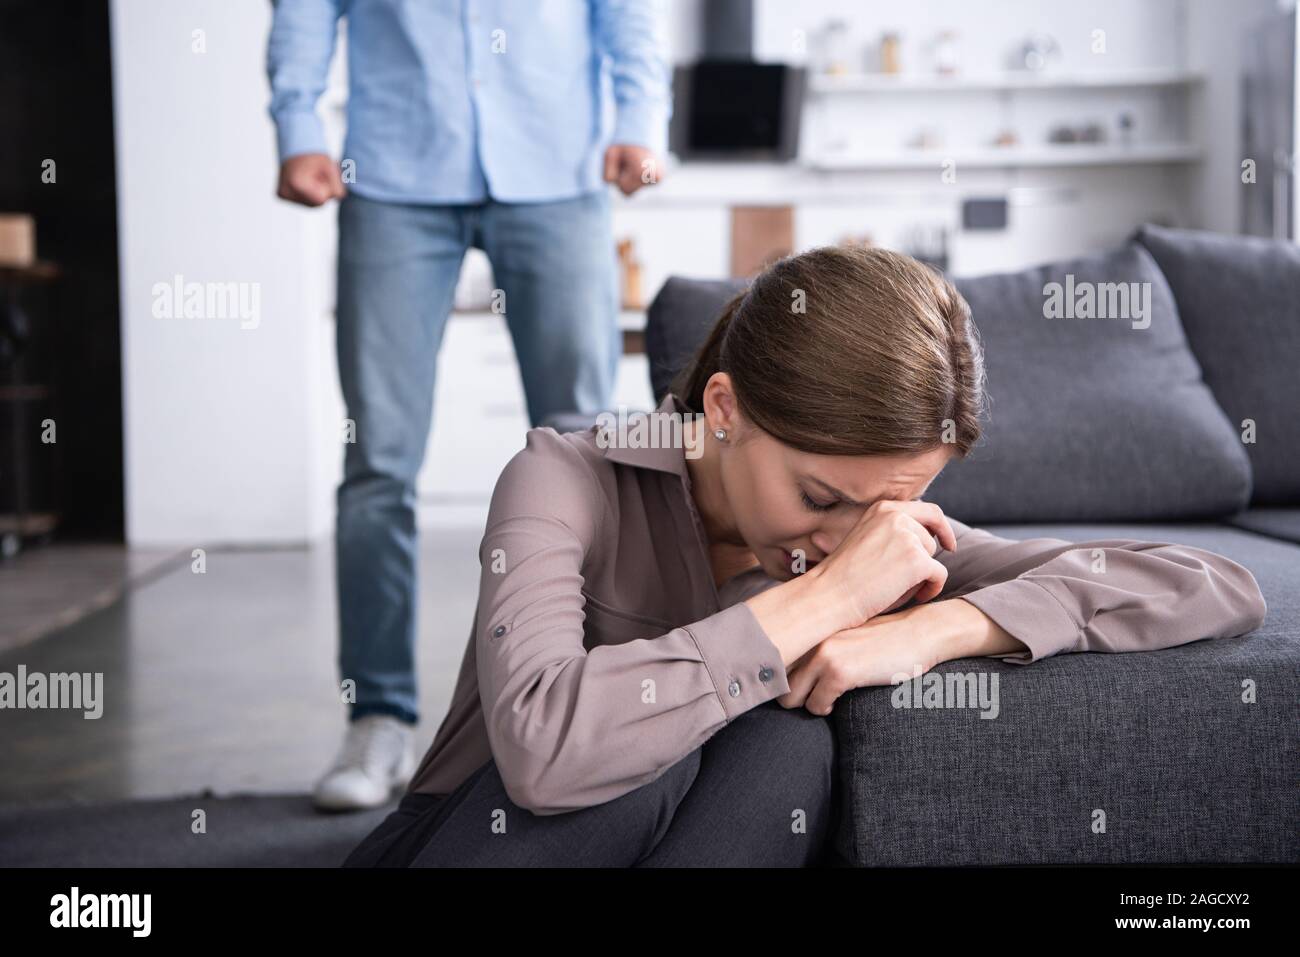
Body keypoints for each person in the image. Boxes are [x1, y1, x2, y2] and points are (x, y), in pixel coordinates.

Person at [341, 243, 1268, 866]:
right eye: (822, 497)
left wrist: (942, 627)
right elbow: (544, 752)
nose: (844, 539)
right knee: (648, 745)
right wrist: (827, 601)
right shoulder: (560, 477)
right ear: (724, 408)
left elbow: (1213, 584)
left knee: (783, 747)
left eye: (884, 509)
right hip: (465, 838)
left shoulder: (884, 544)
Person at [265, 1, 672, 810]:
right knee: (377, 460)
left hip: (559, 169)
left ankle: (589, 704)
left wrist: (640, 116)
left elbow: (626, 14)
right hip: (393, 175)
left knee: (587, 450)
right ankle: (378, 715)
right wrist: (298, 125)